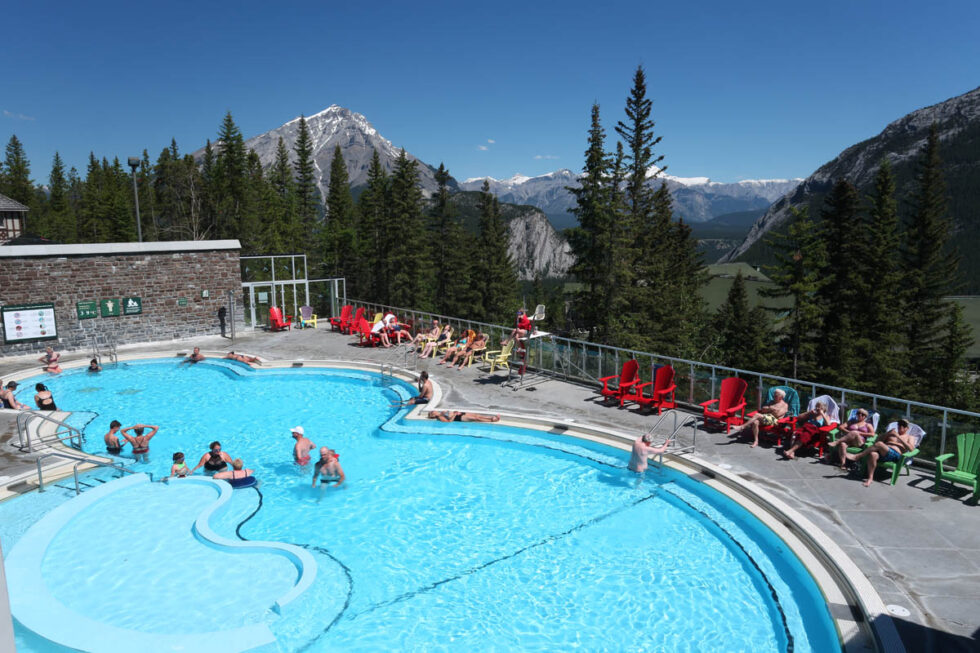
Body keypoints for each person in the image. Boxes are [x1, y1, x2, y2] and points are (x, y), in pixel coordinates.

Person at [844, 419, 917, 487]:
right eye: (899, 424)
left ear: (907, 428)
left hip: (896, 455)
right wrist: (887, 434)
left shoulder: (910, 437)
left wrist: (898, 437)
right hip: (884, 452)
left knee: (880, 444)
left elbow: (911, 449)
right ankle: (870, 478)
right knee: (873, 454)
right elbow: (877, 440)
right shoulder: (891, 433)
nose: (901, 426)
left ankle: (857, 456)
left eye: (903, 425)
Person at [427, 410, 501, 423]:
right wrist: (455, 414)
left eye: (432, 411)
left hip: (459, 413)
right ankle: (492, 420)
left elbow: (450, 413)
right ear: (433, 416)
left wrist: (456, 412)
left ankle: (491, 417)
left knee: (476, 415)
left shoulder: (441, 412)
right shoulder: (440, 417)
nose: (433, 411)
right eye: (432, 413)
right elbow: (449, 421)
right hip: (458, 417)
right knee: (476, 418)